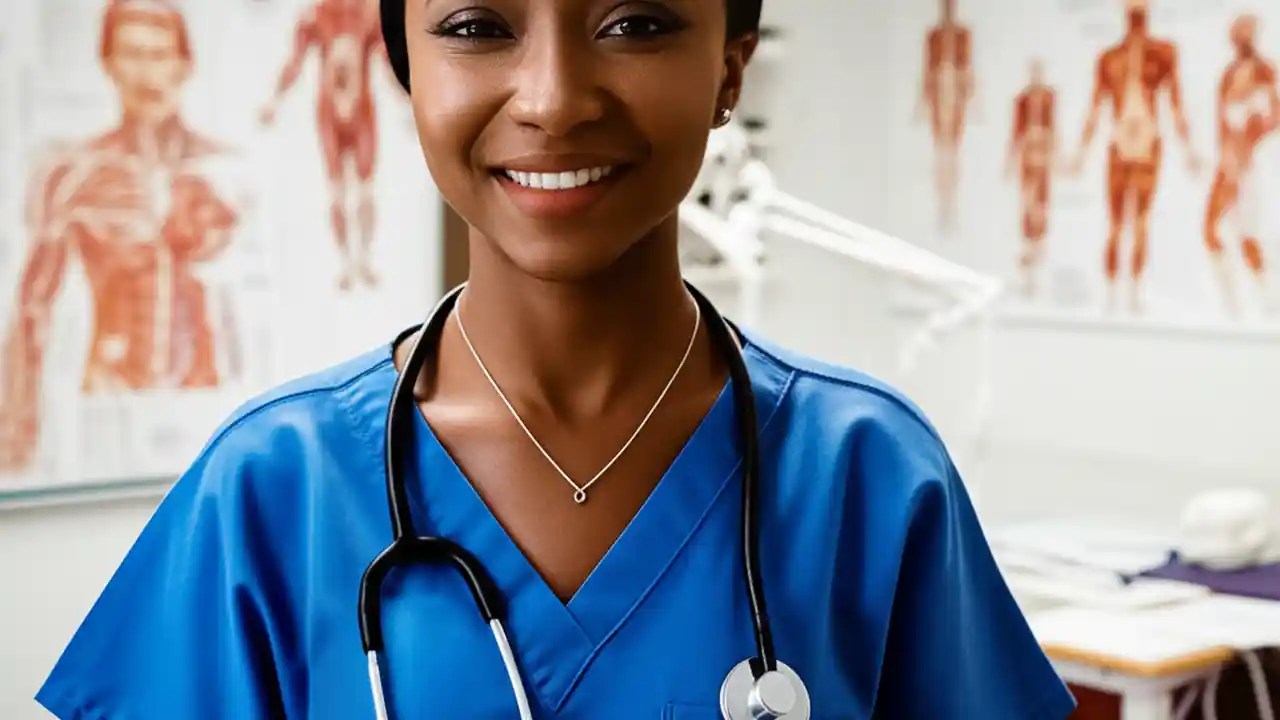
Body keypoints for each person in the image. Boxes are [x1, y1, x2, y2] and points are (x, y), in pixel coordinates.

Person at [36, 0, 1076, 717]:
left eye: (635, 23)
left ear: (729, 67)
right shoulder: (272, 489)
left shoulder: (870, 477)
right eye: (478, 28)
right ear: (404, 63)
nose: (554, 97)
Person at [0, 0, 240, 473]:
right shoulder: (73, 175)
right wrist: (15, 438)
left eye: (160, 55)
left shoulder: (225, 171)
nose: (147, 74)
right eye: (131, 55)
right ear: (108, 64)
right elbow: (33, 310)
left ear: (184, 66)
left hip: (208, 403)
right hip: (107, 402)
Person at [1070, 0, 1200, 315]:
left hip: (1147, 144)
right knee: (1116, 222)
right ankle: (1112, 291)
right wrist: (1080, 154)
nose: (1137, 18)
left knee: (1141, 221)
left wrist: (1189, 149)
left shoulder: (1163, 53)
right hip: (1119, 144)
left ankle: (1135, 290)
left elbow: (1176, 102)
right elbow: (1096, 106)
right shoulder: (1110, 58)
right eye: (1133, 12)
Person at [260, 0, 395, 291]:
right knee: (338, 191)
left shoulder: (368, 13)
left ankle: (364, 259)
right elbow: (294, 62)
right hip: (331, 115)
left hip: (361, 113)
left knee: (364, 190)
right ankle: (348, 263)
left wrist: (407, 102)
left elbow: (387, 59)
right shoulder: (316, 16)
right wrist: (275, 102)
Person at [1204, 14, 1279, 316]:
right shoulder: (1229, 74)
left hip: (1249, 165)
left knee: (1245, 234)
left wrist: (1252, 130)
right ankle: (1233, 305)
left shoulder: (1264, 72)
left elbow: (1274, 115)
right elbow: (1221, 123)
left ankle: (1268, 297)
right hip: (1229, 164)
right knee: (1214, 233)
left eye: (1245, 34)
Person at [919, 0, 975, 237]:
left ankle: (952, 205)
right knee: (941, 151)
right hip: (938, 95)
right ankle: (942, 205)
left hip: (956, 97)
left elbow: (968, 68)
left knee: (953, 151)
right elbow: (927, 68)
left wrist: (975, 102)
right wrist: (922, 102)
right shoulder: (933, 35)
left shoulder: (963, 35)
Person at [1006, 58, 1057, 298]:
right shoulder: (1022, 99)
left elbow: (1054, 127)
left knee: (1042, 204)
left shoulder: (1048, 97)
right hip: (1028, 155)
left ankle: (1038, 251)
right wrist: (1010, 160)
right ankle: (1029, 255)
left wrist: (1055, 154)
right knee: (1029, 203)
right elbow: (1016, 131)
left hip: (1043, 155)